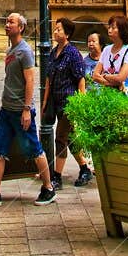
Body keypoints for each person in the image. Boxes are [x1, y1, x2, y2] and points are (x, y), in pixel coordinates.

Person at [0, 13, 57, 207]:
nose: (7, 24)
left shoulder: (25, 51)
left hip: (20, 111)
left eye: (11, 22)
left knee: (34, 149)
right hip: (6, 109)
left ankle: (48, 187)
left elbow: (30, 80)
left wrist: (27, 109)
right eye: (6, 21)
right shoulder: (11, 49)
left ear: (21, 28)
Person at [40, 18, 93, 187]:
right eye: (55, 29)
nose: (55, 32)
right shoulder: (53, 53)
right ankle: (84, 168)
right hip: (55, 102)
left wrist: (81, 103)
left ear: (67, 34)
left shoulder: (73, 53)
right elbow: (48, 79)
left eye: (59, 29)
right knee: (70, 138)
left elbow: (81, 79)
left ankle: (57, 177)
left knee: (60, 138)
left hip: (69, 103)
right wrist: (45, 101)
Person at [94, 14, 128, 95]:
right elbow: (95, 76)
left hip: (121, 96)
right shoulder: (106, 49)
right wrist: (113, 83)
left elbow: (120, 78)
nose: (109, 30)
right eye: (109, 27)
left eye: (113, 28)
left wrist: (104, 76)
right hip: (105, 94)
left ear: (122, 30)